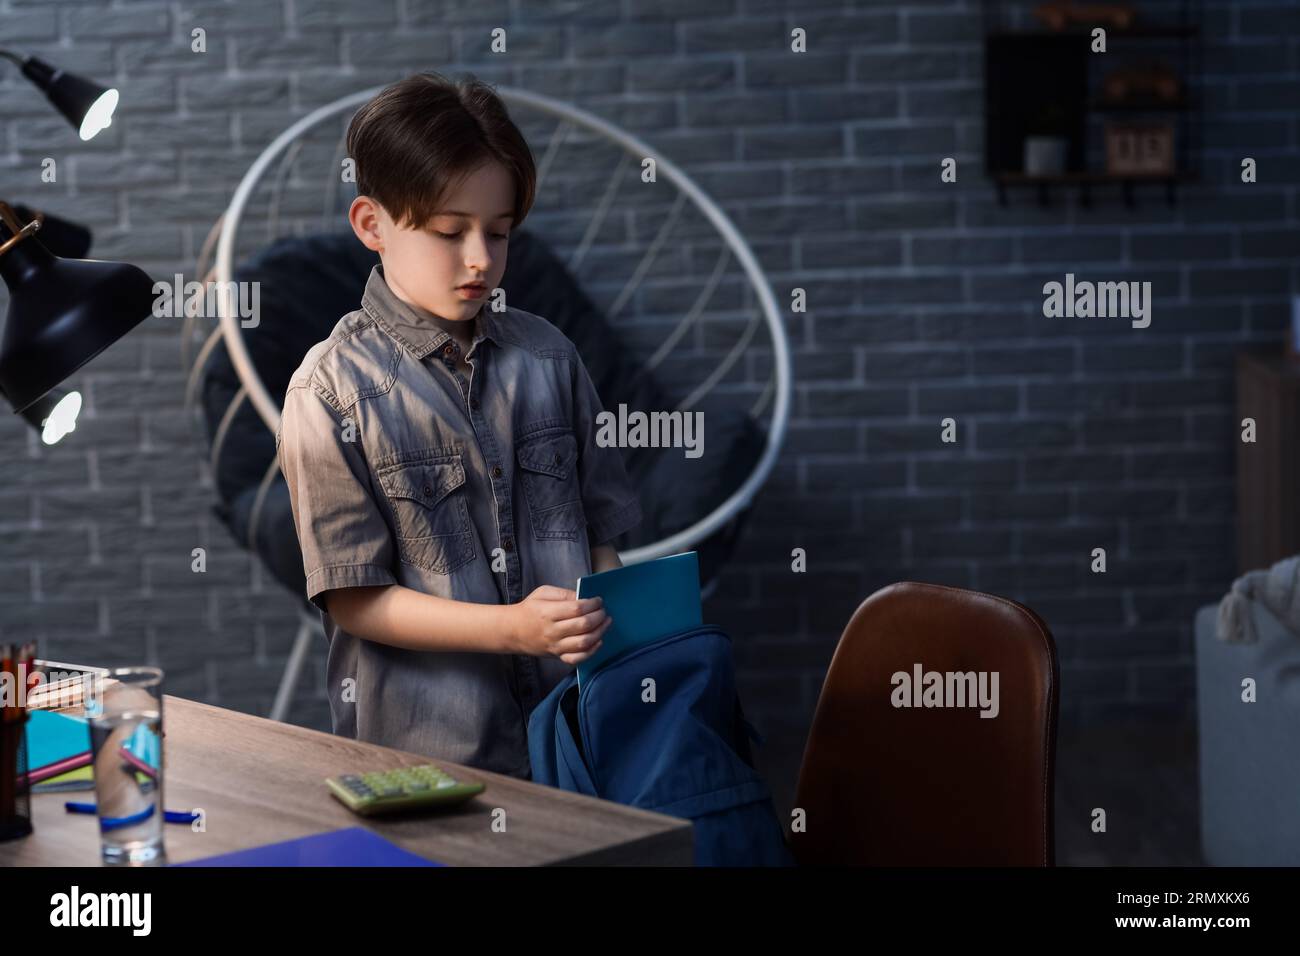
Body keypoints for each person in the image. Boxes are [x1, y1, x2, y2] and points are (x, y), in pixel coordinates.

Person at [276, 71, 643, 778]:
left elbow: (603, 545)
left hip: (581, 742)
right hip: (432, 762)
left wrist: (614, 637)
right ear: (371, 224)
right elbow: (356, 598)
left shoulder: (550, 359)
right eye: (450, 232)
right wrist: (510, 631)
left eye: (498, 234)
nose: (480, 260)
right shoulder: (329, 391)